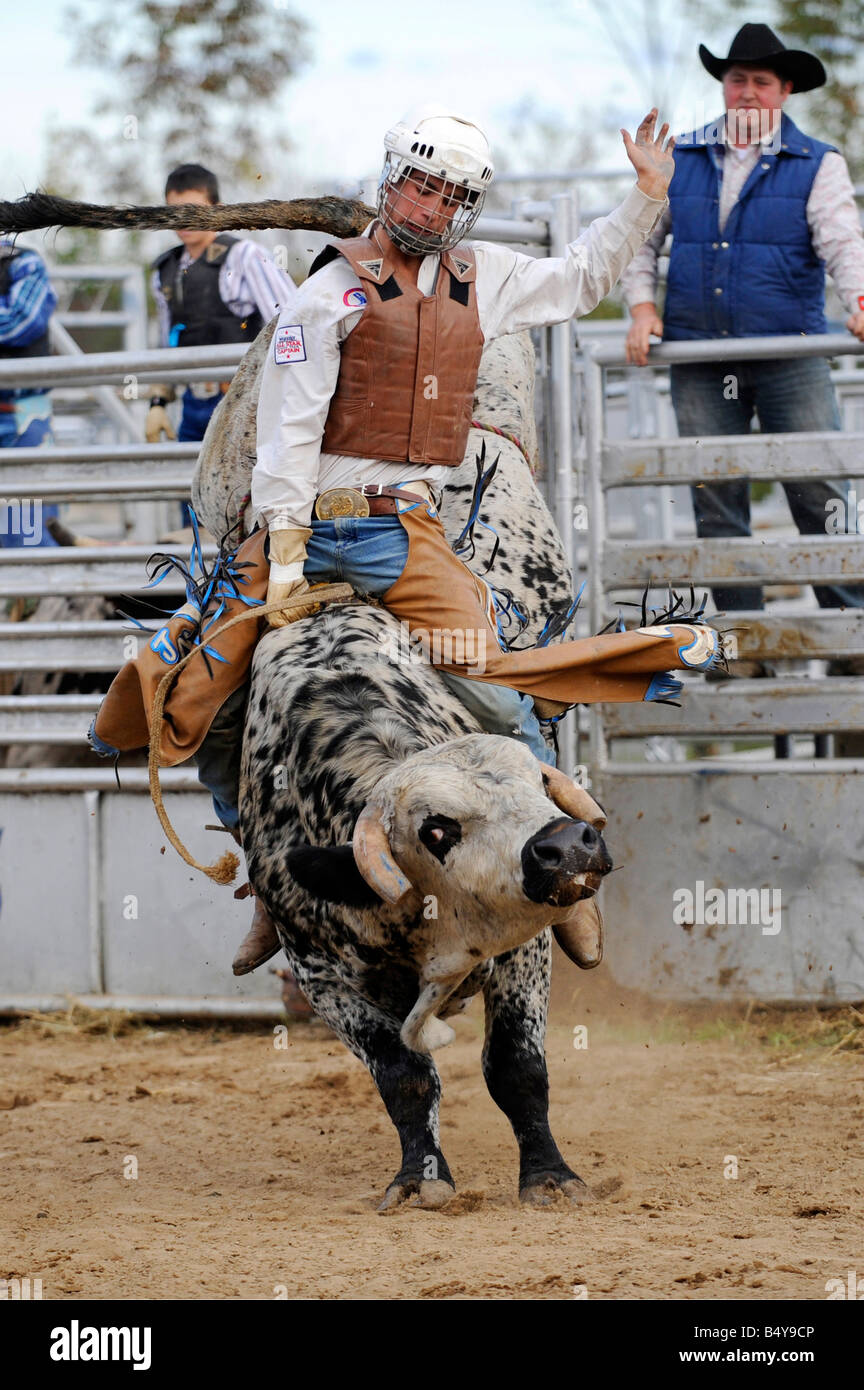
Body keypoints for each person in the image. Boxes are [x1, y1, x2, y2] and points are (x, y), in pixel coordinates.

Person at [175, 104, 721, 976]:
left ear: (465, 206)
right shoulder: (326, 294)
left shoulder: (486, 276)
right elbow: (285, 437)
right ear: (391, 183)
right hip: (309, 529)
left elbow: (581, 281)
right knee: (199, 700)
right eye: (418, 185)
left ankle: (565, 872)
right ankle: (273, 884)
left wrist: (644, 200)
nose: (428, 206)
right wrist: (281, 557)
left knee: (502, 694)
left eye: (448, 194)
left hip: (405, 534)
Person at [622, 23, 864, 634]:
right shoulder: (683, 158)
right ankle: (741, 641)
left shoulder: (818, 163)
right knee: (716, 497)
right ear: (724, 88)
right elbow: (641, 241)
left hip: (792, 353)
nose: (748, 92)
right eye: (738, 80)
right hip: (703, 360)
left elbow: (842, 242)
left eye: (761, 81)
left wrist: (859, 299)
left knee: (820, 492)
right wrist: (642, 308)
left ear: (784, 91)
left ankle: (853, 631)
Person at [147, 163, 299, 526]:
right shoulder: (166, 270)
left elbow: (293, 321)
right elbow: (169, 340)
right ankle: (201, 580)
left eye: (193, 209)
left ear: (217, 208)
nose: (184, 219)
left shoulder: (246, 256)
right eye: (174, 211)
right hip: (193, 404)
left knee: (240, 513)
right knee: (196, 511)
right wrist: (157, 400)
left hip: (242, 408)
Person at [0, 241, 60, 547]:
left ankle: (47, 593)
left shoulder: (22, 261)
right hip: (16, 409)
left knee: (26, 529)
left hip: (20, 412)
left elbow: (20, 321)